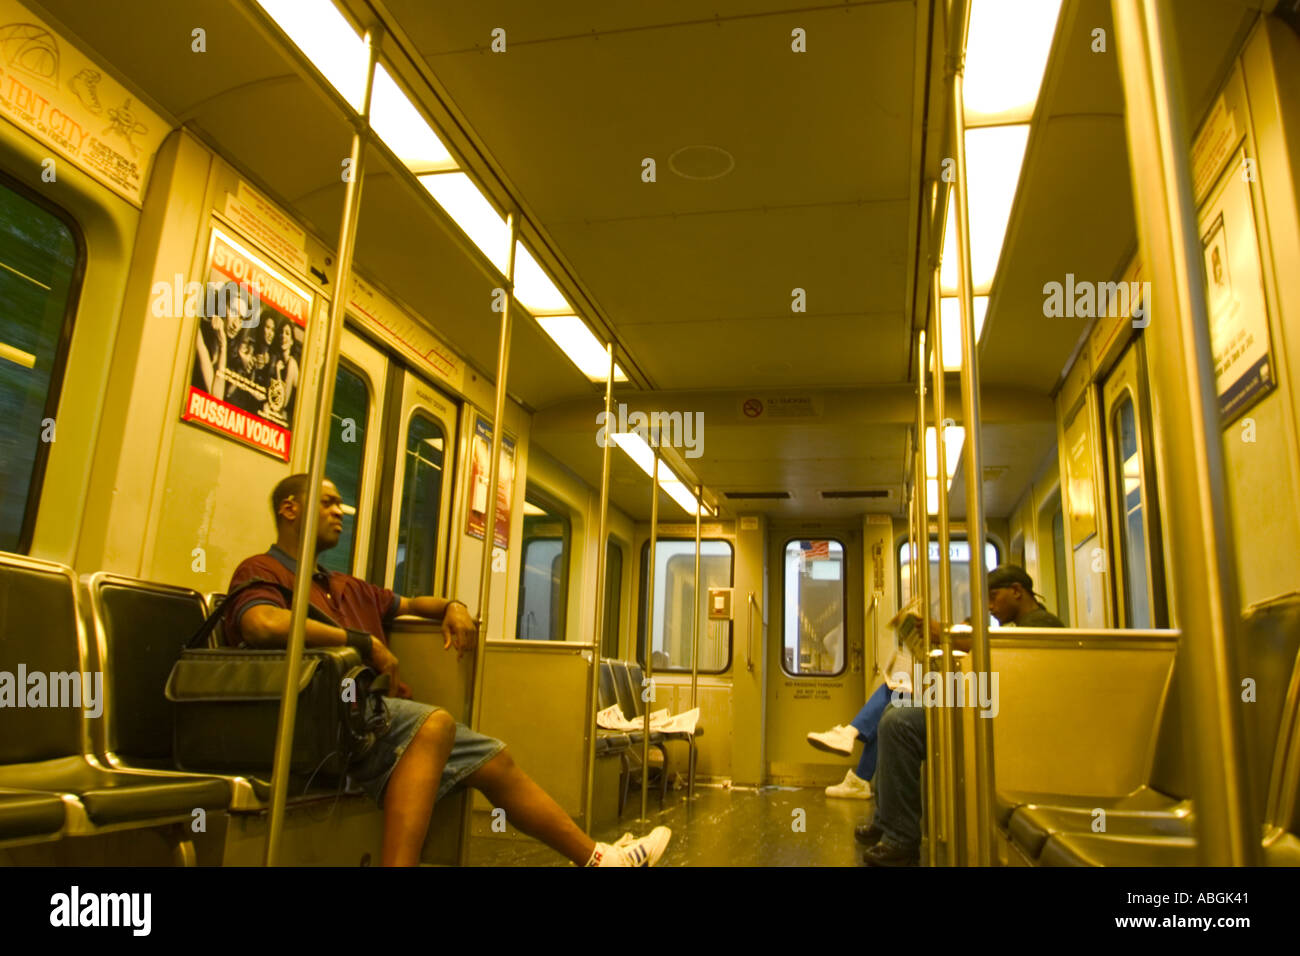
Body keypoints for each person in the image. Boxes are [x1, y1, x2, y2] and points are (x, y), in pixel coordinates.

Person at [222, 473, 672, 867]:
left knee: (494, 759)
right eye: (328, 502)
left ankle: (599, 858)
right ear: (289, 508)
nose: (340, 511)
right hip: (311, 720)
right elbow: (259, 624)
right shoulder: (263, 570)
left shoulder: (345, 586)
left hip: (366, 720)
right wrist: (362, 641)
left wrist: (453, 607)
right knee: (433, 724)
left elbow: (414, 604)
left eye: (340, 502)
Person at [859, 565, 1064, 866]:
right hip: (989, 703)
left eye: (994, 598)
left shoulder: (1042, 624)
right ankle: (888, 819)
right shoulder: (1020, 626)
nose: (991, 607)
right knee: (895, 708)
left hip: (1001, 714)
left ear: (1018, 591)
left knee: (898, 722)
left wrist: (944, 632)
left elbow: (1000, 652)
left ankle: (901, 838)